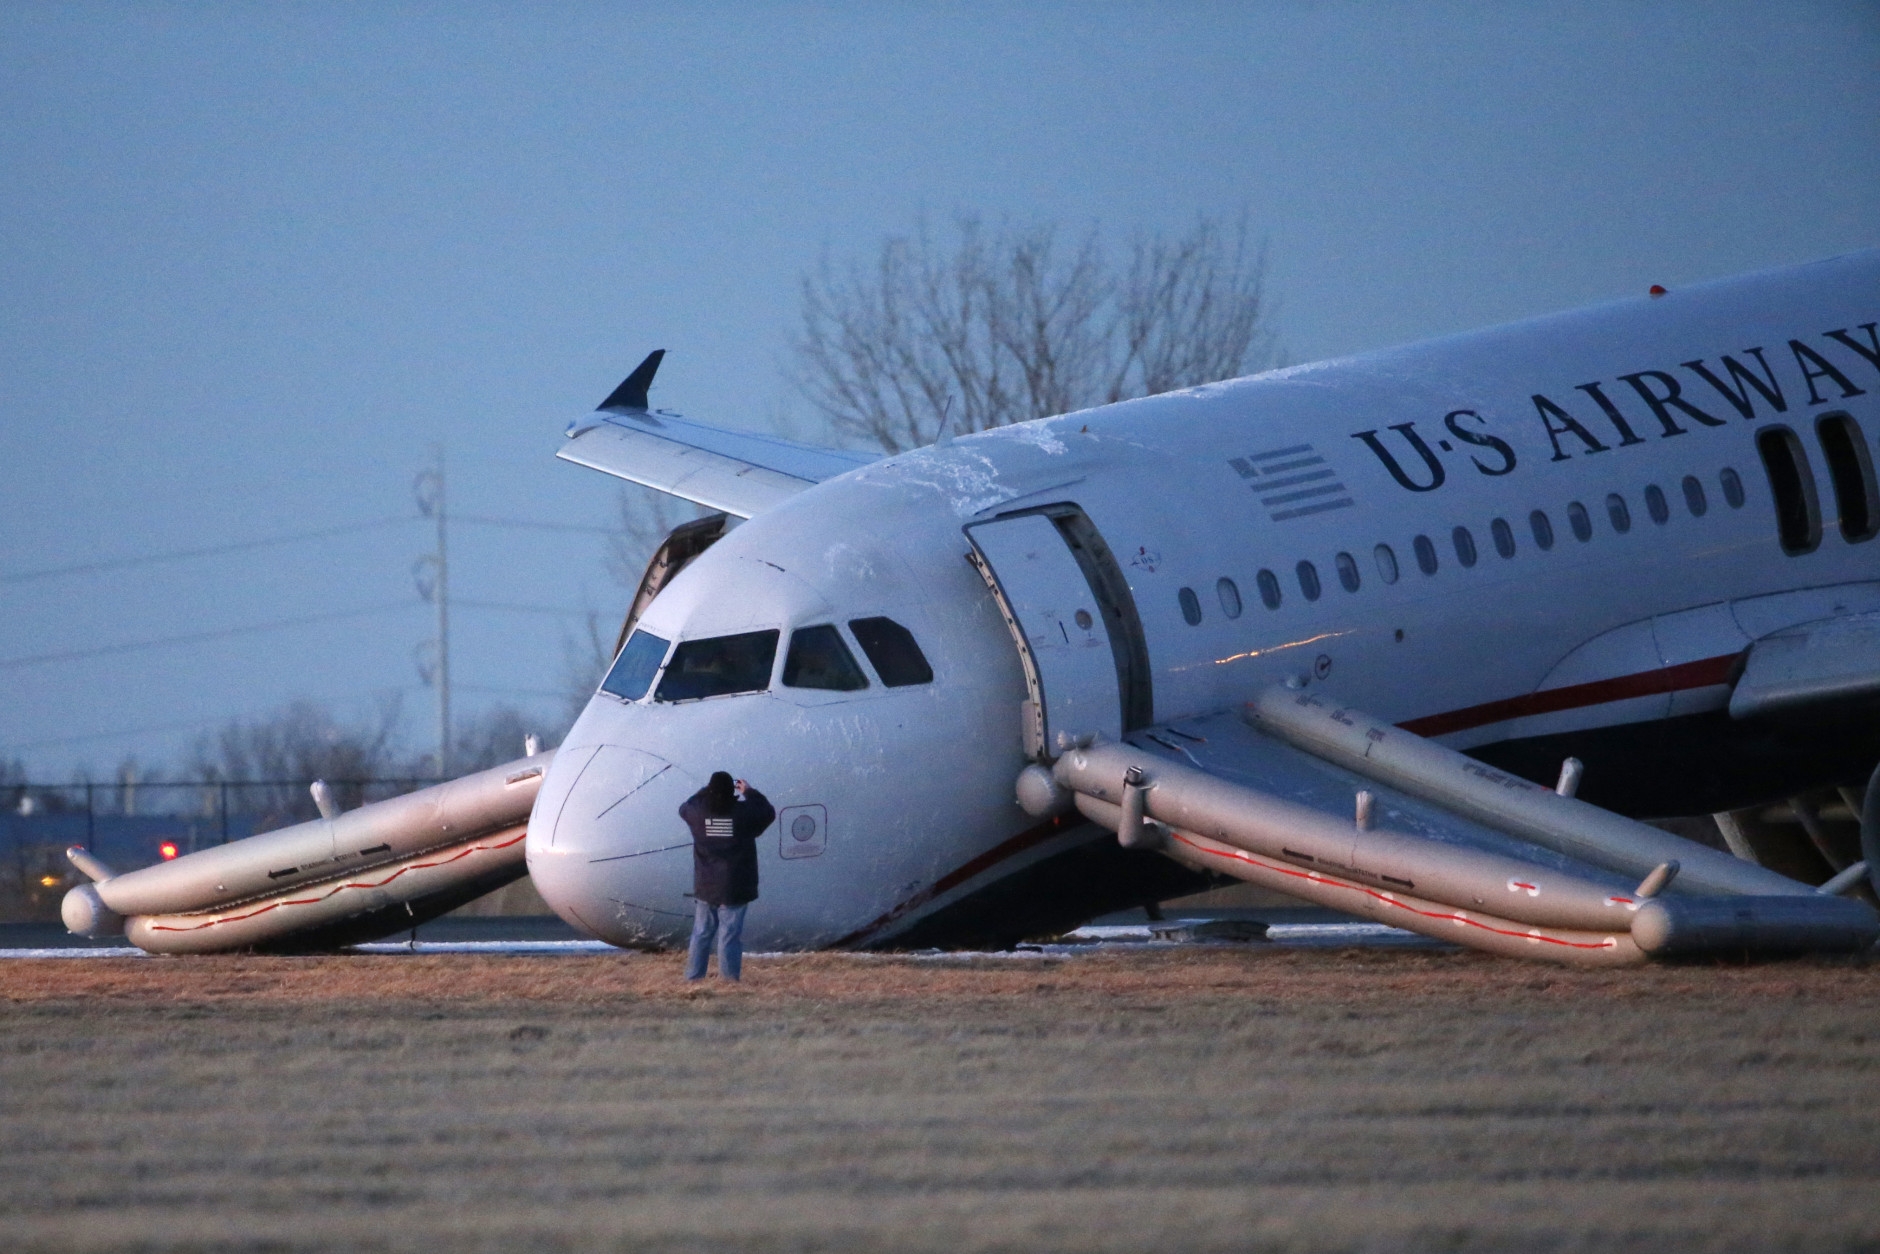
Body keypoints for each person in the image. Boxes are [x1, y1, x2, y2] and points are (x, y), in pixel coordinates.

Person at [678, 771, 775, 981]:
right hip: (735, 885)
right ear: (732, 790)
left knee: (701, 933)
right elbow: (767, 812)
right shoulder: (744, 814)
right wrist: (749, 791)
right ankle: (728, 980)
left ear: (710, 790)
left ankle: (693, 978)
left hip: (706, 884)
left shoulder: (697, 813)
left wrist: (706, 790)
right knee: (729, 935)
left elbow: (685, 806)